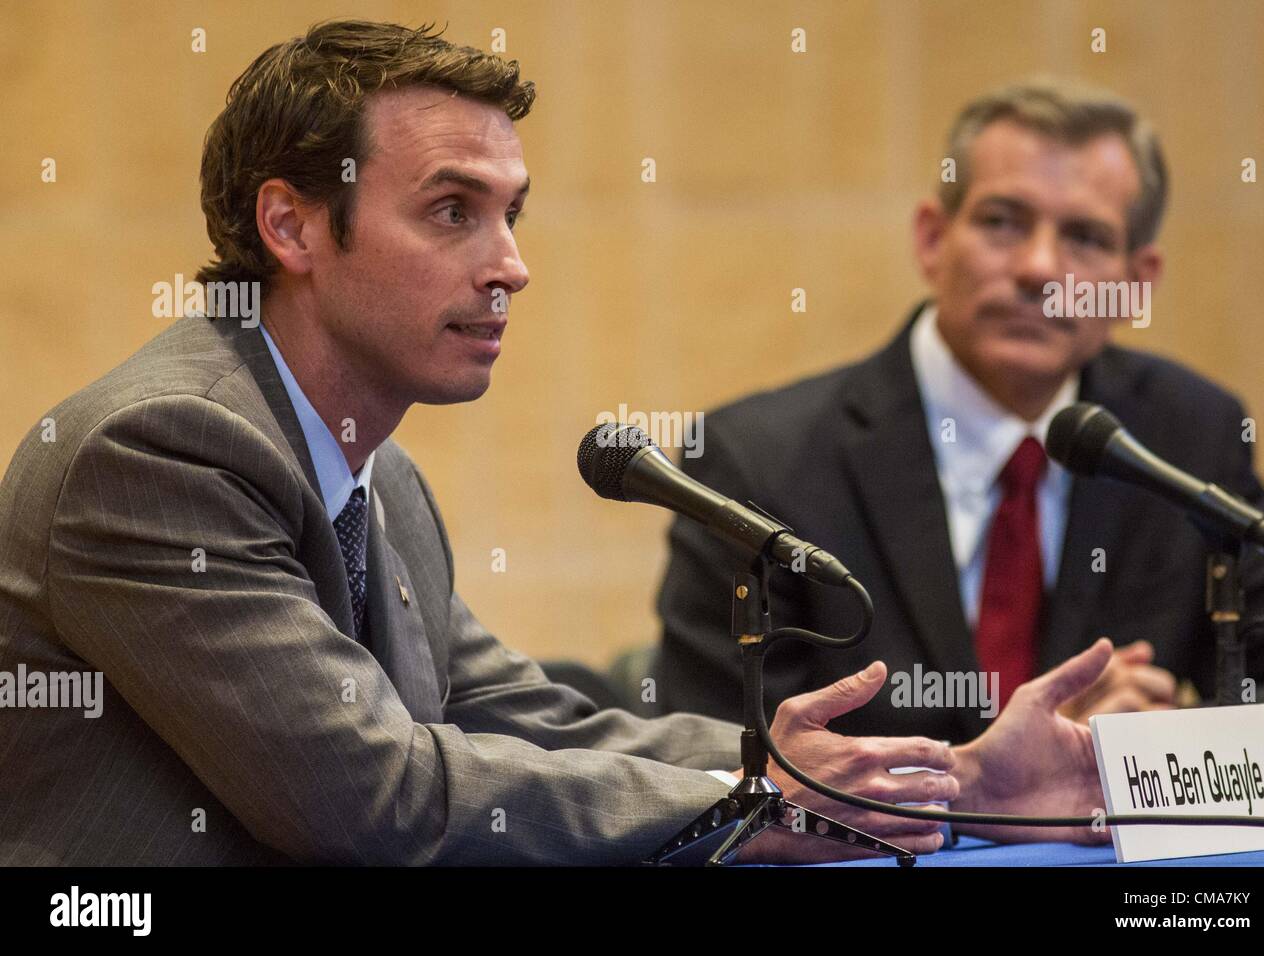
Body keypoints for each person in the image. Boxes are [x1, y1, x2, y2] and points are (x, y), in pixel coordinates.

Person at [0, 23, 1116, 866]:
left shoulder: (374, 469)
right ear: (289, 223)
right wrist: (764, 806)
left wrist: (933, 774)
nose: (509, 265)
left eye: (511, 214)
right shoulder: (157, 453)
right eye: (451, 211)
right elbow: (366, 793)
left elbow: (529, 718)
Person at [655, 79, 1264, 795]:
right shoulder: (756, 463)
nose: (1039, 270)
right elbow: (722, 762)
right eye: (1002, 222)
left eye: (1085, 238)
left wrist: (1137, 757)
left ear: (1137, 282)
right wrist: (1003, 776)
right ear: (933, 239)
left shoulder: (1191, 436)